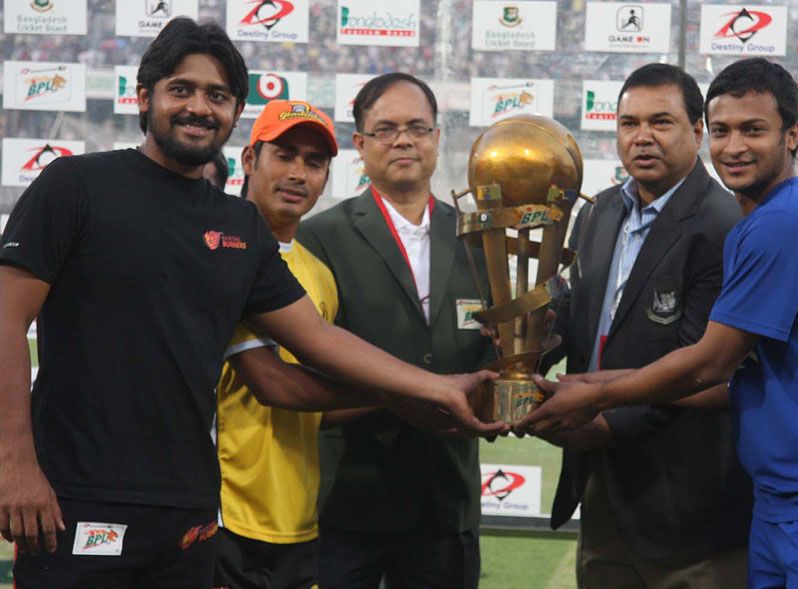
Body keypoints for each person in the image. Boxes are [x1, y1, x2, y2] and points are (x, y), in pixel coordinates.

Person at [0, 18, 502, 588]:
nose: (199, 107)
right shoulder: (75, 185)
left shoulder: (238, 226)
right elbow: (5, 318)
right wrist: (13, 463)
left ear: (235, 113)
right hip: (77, 494)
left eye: (217, 96)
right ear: (144, 97)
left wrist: (438, 387)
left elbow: (317, 338)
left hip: (188, 512)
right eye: (181, 89)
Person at [522, 57, 798, 588]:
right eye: (722, 131)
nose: (733, 147)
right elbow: (738, 379)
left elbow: (710, 362)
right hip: (782, 495)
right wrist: (592, 380)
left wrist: (596, 396)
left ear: (792, 135)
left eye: (753, 130)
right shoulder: (756, 222)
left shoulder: (785, 221)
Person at [537, 63, 749, 588]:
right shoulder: (600, 211)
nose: (642, 137)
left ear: (697, 132)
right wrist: (526, 347)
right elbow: (578, 317)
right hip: (602, 485)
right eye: (629, 123)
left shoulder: (724, 225)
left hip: (686, 498)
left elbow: (701, 368)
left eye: (661, 122)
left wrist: (602, 419)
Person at [298, 72, 494, 589]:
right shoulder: (320, 237)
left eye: (416, 127)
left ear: (435, 138)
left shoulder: (481, 239)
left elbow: (495, 357)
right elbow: (306, 370)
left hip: (447, 500)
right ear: (359, 145)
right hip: (349, 502)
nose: (403, 140)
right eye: (385, 129)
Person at [214, 99, 362, 589]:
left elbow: (320, 401)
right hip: (220, 512)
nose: (299, 173)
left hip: (297, 518)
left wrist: (422, 405)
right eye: (285, 155)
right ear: (249, 159)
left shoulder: (319, 275)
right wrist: (410, 391)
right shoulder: (219, 251)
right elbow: (275, 385)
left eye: (314, 162)